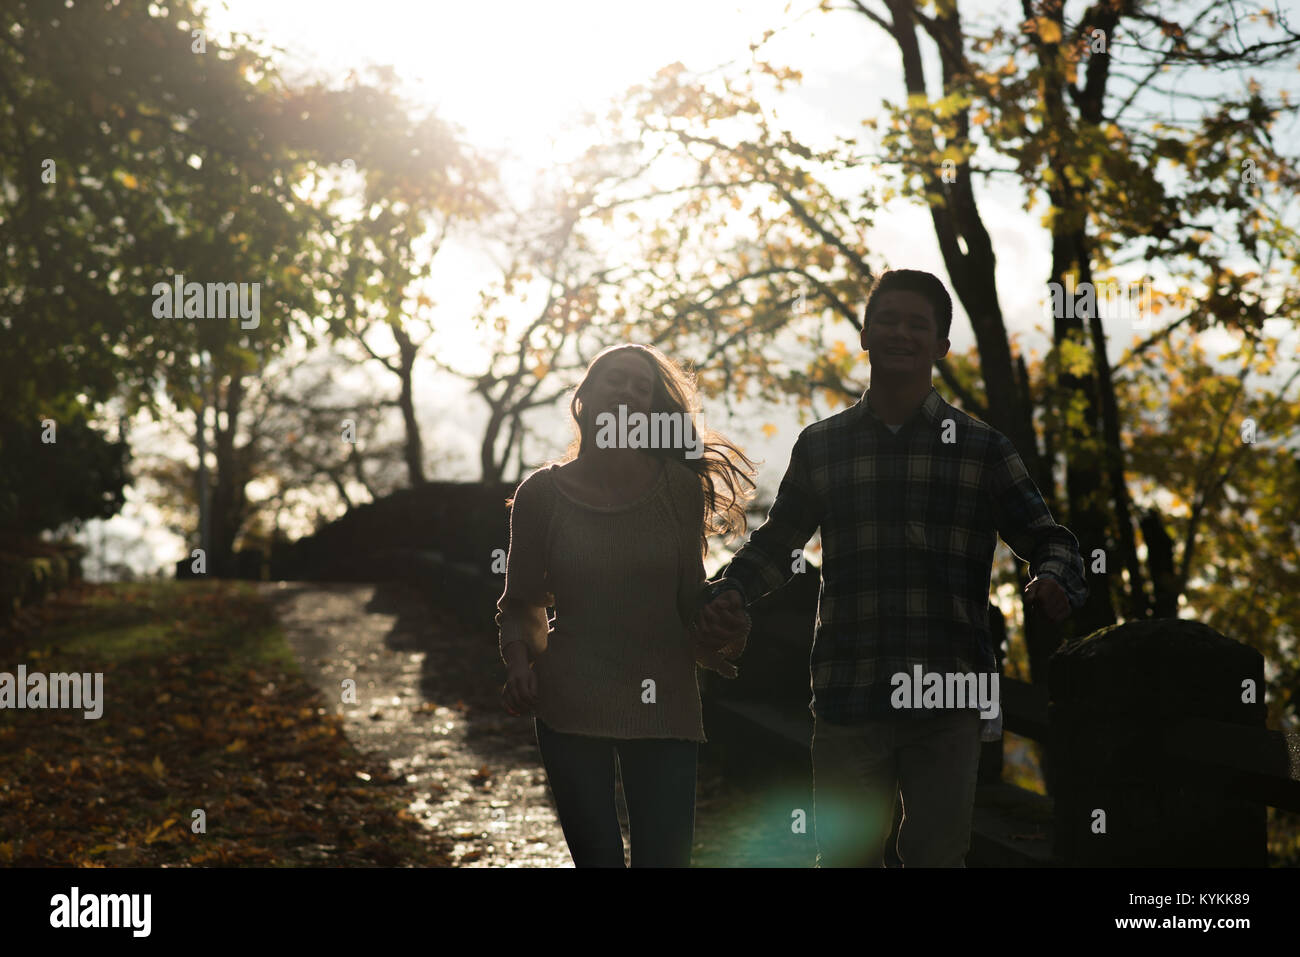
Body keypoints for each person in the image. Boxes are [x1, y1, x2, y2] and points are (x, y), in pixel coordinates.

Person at [696, 269, 1087, 867]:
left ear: (940, 347)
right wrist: (730, 592)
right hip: (850, 684)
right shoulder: (823, 445)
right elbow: (779, 543)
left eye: (917, 325)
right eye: (888, 320)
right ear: (865, 335)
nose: (900, 333)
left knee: (936, 858)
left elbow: (1047, 537)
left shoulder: (983, 448)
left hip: (950, 690)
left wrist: (1056, 575)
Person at [496, 343, 755, 867]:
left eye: (643, 387)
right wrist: (520, 665)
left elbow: (689, 597)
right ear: (585, 398)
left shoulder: (680, 489)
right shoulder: (540, 494)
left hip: (665, 699)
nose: (628, 392)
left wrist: (724, 617)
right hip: (569, 697)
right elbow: (520, 601)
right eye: (615, 379)